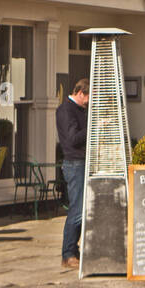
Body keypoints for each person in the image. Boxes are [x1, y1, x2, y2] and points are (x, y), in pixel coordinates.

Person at [56, 78, 89, 270]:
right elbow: (73, 139)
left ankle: (73, 250)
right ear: (81, 93)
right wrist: (94, 127)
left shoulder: (79, 110)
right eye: (88, 98)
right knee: (77, 210)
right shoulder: (66, 110)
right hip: (74, 163)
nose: (89, 102)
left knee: (82, 209)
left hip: (81, 162)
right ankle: (68, 254)